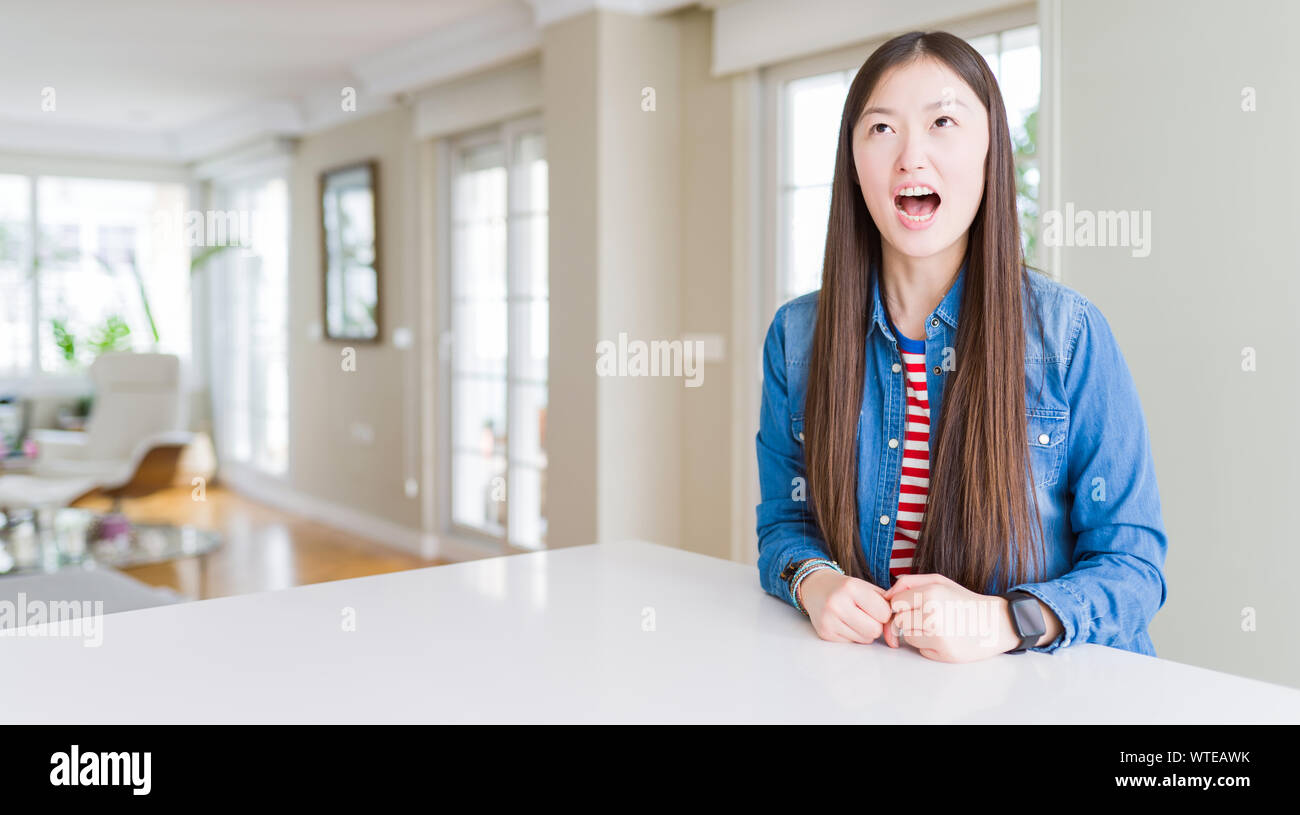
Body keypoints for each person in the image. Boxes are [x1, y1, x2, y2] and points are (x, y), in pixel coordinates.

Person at [755, 30, 1167, 662]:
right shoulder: (797, 339)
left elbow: (1134, 567)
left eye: (943, 121)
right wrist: (814, 581)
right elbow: (786, 525)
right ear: (854, 162)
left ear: (988, 152)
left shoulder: (1069, 336)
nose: (910, 158)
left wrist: (1005, 620)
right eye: (882, 129)